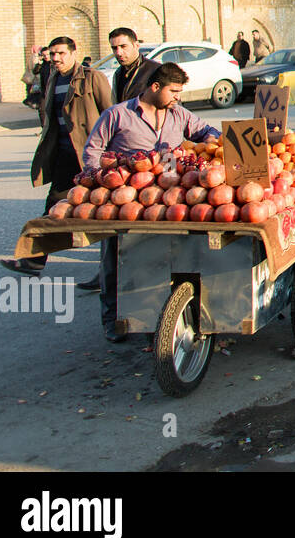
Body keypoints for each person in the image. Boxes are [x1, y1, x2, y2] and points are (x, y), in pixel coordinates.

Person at [80, 62, 220, 341]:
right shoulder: (117, 115)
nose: (178, 97)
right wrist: (97, 181)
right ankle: (113, 320)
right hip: (126, 198)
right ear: (155, 87)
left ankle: (153, 316)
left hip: (166, 198)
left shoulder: (178, 114)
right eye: (174, 91)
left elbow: (207, 133)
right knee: (115, 259)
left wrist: (221, 144)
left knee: (158, 259)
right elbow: (93, 150)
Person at [1, 37, 114, 280]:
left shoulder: (93, 77)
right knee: (54, 207)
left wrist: (110, 154)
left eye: (61, 53)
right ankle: (34, 261)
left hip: (91, 156)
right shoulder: (53, 78)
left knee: (109, 211)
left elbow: (111, 114)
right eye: (52, 54)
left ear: (73, 53)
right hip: (64, 154)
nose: (56, 58)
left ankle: (109, 272)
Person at [109, 27, 160, 102]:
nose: (118, 53)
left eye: (123, 46)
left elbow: (173, 107)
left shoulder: (156, 70)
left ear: (136, 46)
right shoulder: (118, 74)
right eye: (114, 48)